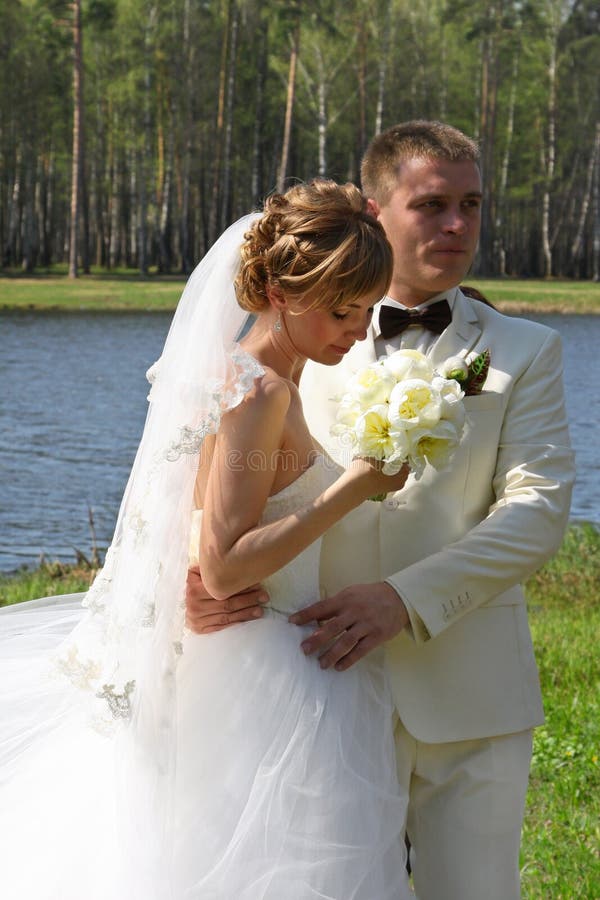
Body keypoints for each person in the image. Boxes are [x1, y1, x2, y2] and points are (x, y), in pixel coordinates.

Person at [186, 121, 575, 900]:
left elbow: (537, 511)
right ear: (374, 209)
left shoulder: (524, 350)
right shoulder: (302, 337)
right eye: (432, 204)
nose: (458, 224)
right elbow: (220, 486)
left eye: (472, 204)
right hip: (308, 683)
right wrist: (195, 578)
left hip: (468, 696)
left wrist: (406, 600)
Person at [0, 180, 415, 899]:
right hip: (257, 666)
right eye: (342, 311)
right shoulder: (260, 394)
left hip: (250, 651)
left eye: (367, 310)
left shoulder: (250, 376)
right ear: (284, 294)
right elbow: (223, 568)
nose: (356, 330)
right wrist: (353, 487)